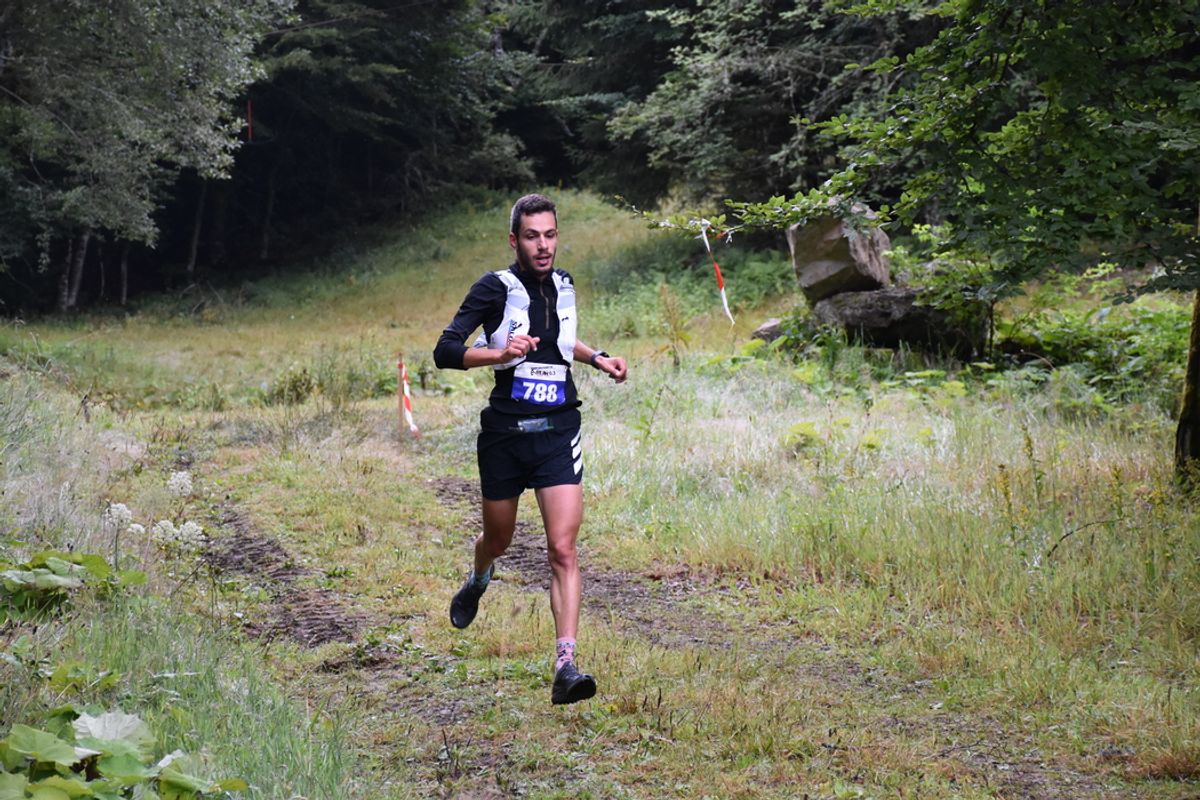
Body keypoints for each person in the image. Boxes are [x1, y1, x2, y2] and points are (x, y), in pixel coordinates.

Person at [432, 193, 628, 705]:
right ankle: (479, 576)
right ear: (514, 239)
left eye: (551, 234)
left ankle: (566, 665)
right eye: (532, 236)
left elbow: (560, 341)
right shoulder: (494, 288)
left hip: (558, 431)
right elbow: (446, 350)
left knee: (562, 547)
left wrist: (597, 358)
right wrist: (499, 353)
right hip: (505, 435)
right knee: (497, 538)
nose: (543, 246)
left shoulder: (563, 285)